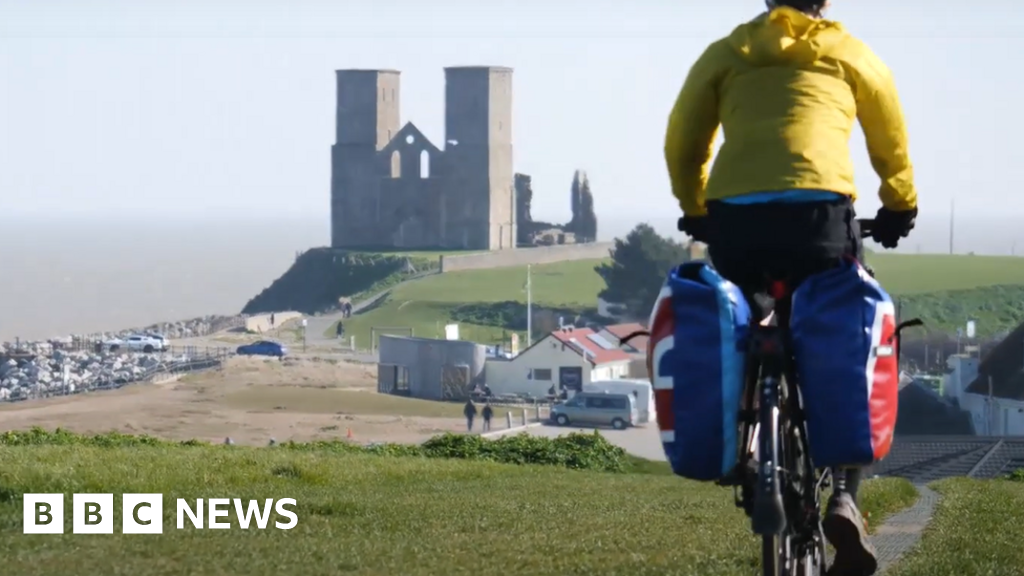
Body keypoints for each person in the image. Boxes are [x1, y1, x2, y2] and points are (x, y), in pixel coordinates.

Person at [663, 2, 917, 575]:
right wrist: (899, 205)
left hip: (736, 223)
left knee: (745, 318)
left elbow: (684, 141)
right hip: (821, 221)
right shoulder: (848, 52)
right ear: (823, 2)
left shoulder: (727, 53)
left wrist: (695, 207)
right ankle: (846, 498)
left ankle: (749, 443)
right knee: (845, 322)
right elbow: (889, 136)